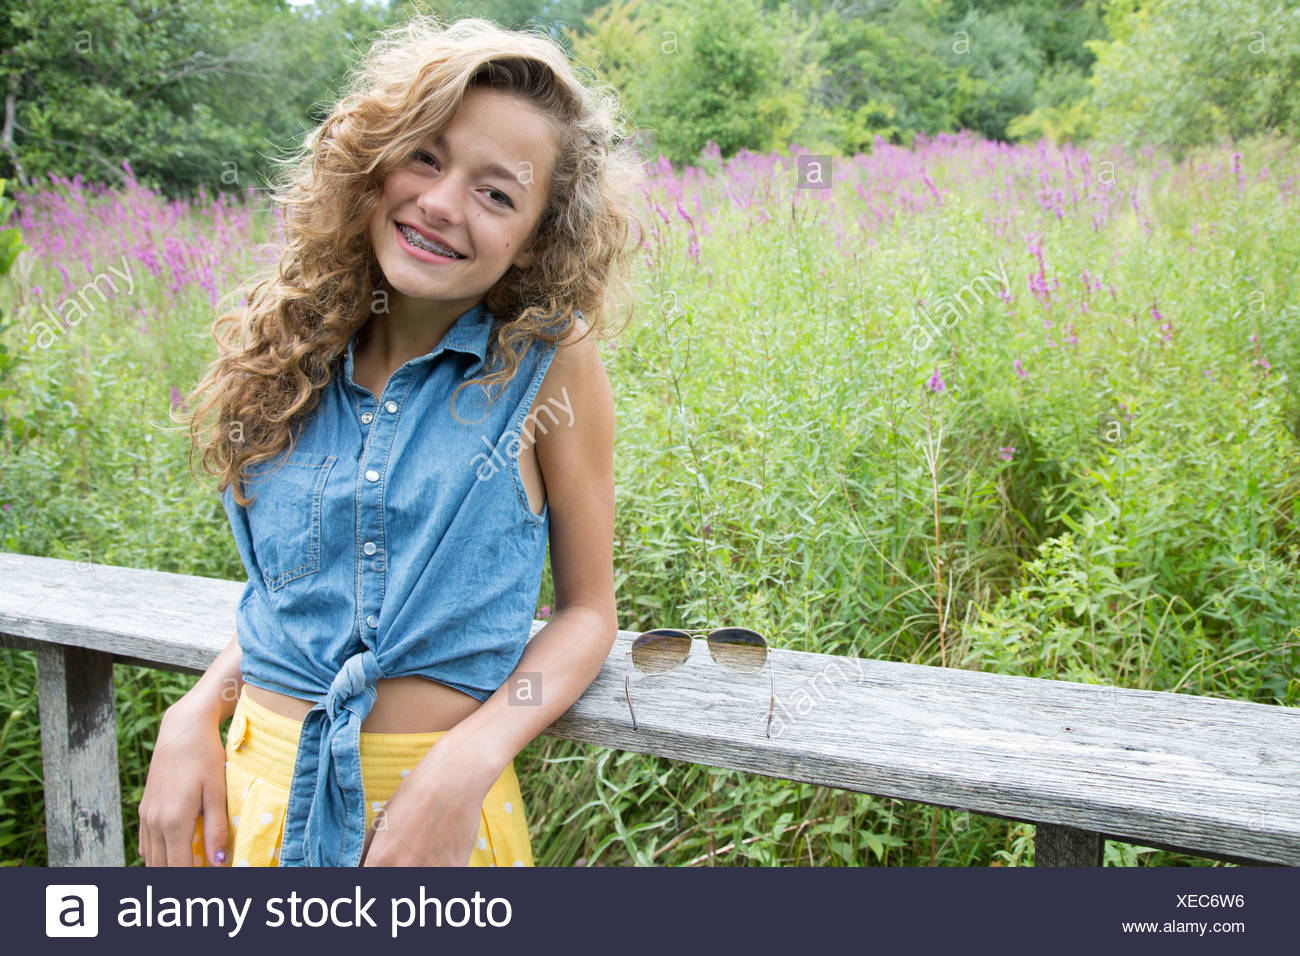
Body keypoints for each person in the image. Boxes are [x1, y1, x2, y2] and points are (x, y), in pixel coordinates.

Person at [138, 14, 646, 867]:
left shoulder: (549, 365)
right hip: (248, 799)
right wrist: (197, 707)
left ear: (533, 240)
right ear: (374, 160)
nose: (442, 205)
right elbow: (299, 605)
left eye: (497, 193)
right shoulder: (293, 341)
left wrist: (471, 757)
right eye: (426, 156)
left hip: (430, 824)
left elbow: (588, 614)